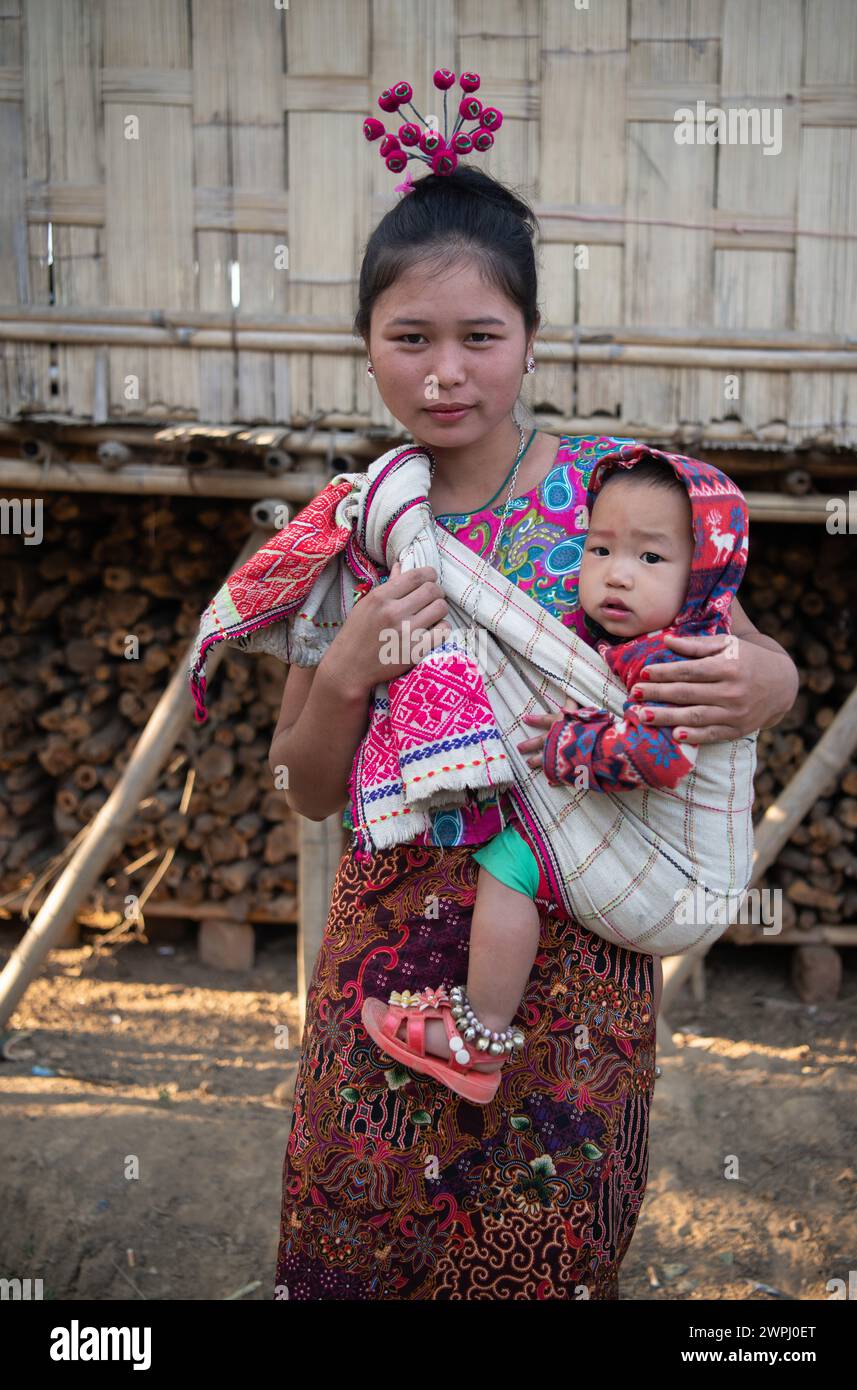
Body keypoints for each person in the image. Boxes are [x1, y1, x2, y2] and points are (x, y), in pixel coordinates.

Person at [266, 130, 797, 1295]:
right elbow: (302, 785)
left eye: (478, 338)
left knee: (539, 1257)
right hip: (390, 973)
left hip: (577, 956)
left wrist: (776, 682)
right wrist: (352, 663)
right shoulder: (348, 537)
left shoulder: (615, 496)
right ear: (365, 351)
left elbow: (742, 653)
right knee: (363, 1249)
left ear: (530, 344)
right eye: (409, 339)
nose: (443, 372)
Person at [360, 448, 752, 1105]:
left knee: (510, 864)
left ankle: (478, 1037)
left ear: (706, 573)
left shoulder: (681, 658)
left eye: (651, 559)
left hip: (677, 874)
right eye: (599, 551)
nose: (617, 577)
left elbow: (663, 759)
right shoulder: (630, 645)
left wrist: (573, 743)